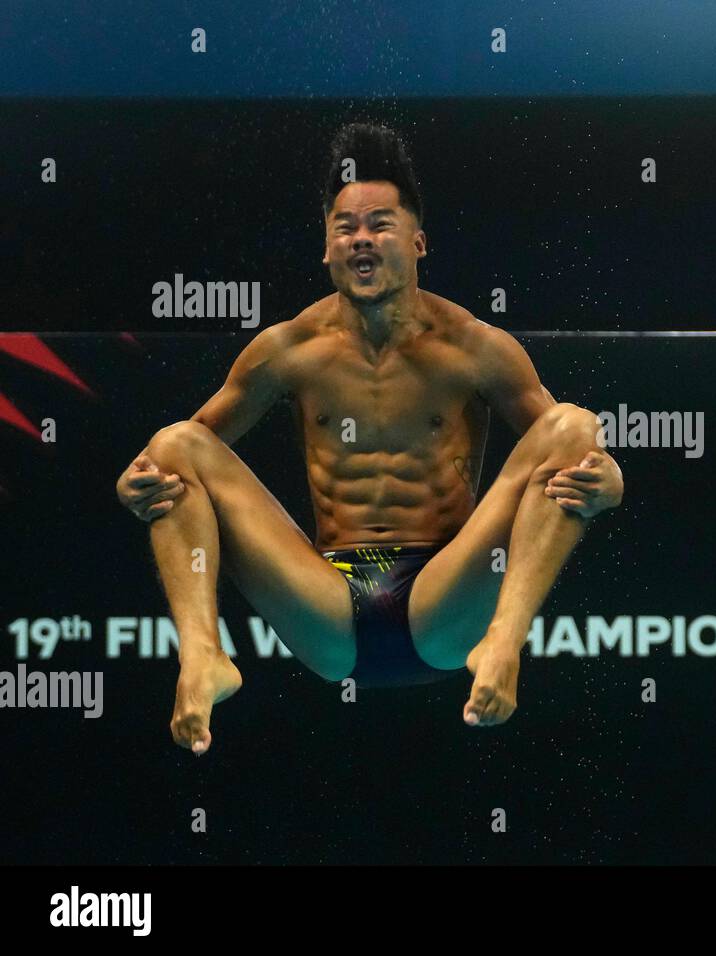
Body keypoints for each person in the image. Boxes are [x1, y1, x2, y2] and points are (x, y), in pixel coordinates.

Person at [114, 123, 624, 754]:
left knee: (572, 424)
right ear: (326, 248)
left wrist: (611, 483)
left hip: (442, 604)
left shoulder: (475, 349)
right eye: (345, 227)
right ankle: (201, 657)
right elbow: (177, 461)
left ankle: (503, 641)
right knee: (174, 447)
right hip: (328, 609)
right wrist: (133, 483)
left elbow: (579, 455)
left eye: (380, 224)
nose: (361, 239)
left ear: (417, 242)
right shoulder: (288, 350)